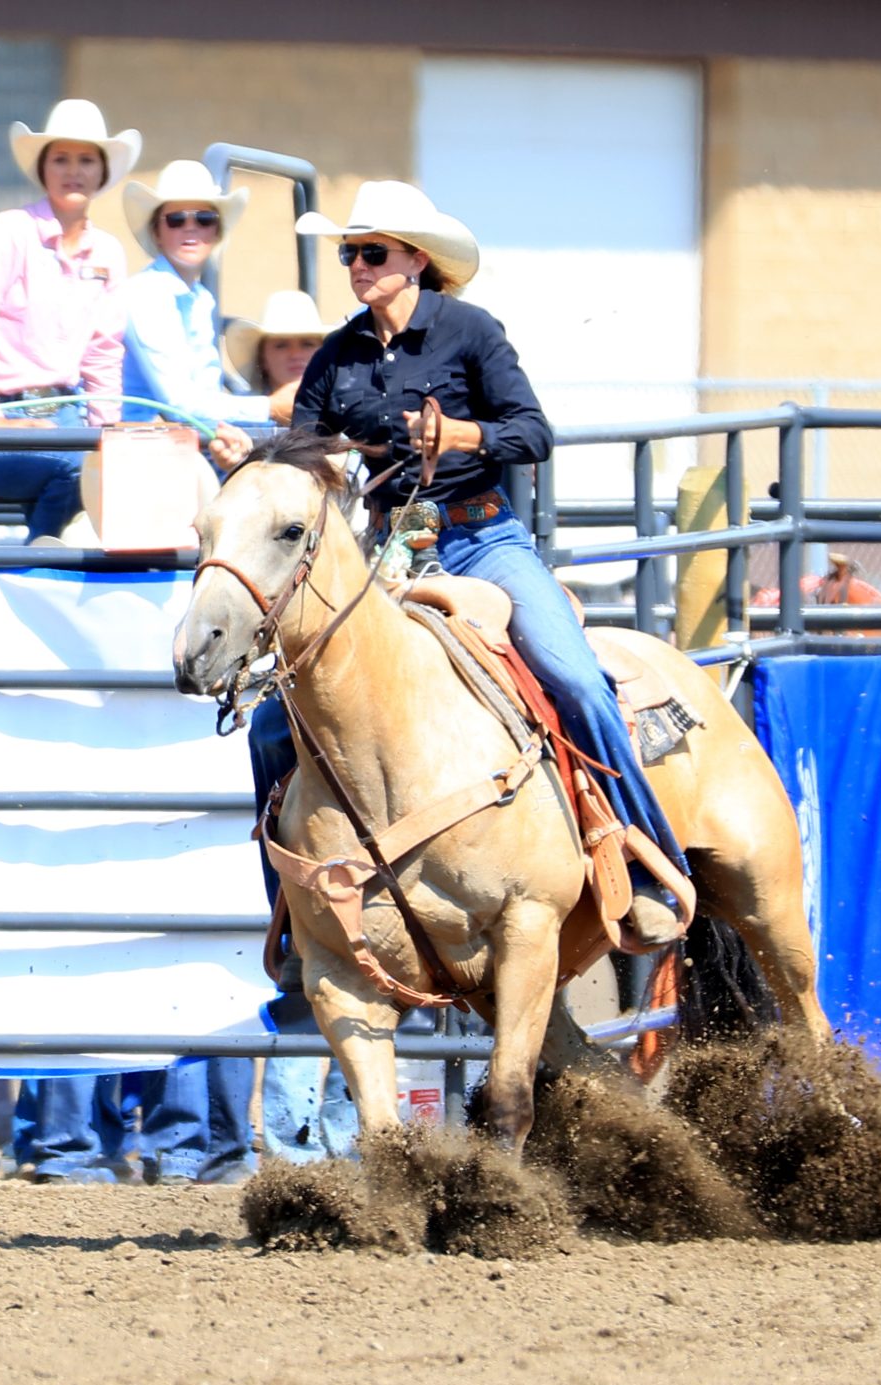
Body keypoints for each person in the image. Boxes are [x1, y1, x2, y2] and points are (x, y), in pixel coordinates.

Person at [288, 180, 687, 946]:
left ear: (416, 260)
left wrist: (465, 438)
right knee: (283, 712)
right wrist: (273, 460)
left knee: (573, 678)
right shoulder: (336, 356)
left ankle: (643, 861)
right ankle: (296, 899)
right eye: (349, 254)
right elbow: (303, 450)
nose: (357, 266)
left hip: (483, 539)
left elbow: (532, 433)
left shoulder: (469, 331)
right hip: (386, 553)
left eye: (372, 252)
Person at [0, 99, 136, 541]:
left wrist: (106, 435)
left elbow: (104, 352)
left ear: (102, 173)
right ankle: (38, 567)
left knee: (125, 473)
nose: (74, 170)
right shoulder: (7, 232)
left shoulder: (108, 252)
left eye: (86, 159)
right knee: (76, 471)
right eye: (61, 158)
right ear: (43, 169)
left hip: (67, 420)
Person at [118, 159, 267, 447]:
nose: (190, 228)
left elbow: (203, 396)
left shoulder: (200, 299)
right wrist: (270, 407)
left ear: (217, 232)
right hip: (140, 448)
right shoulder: (145, 294)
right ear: (156, 233)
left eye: (204, 219)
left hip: (185, 441)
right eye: (176, 220)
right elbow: (181, 405)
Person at [222, 289, 328, 425]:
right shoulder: (238, 423)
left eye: (307, 344)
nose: (295, 354)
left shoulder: (344, 413)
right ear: (262, 358)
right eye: (281, 345)